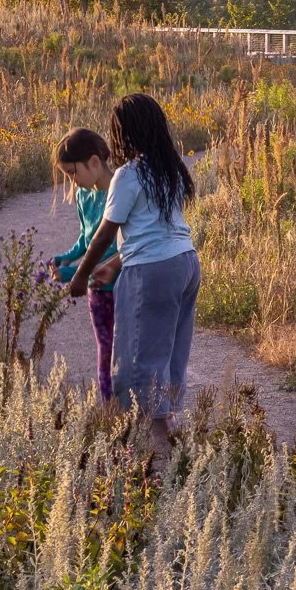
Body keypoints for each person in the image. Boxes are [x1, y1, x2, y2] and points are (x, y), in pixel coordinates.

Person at [68, 94, 201, 439]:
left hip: (152, 273)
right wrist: (115, 265)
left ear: (124, 134)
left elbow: (103, 235)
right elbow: (154, 231)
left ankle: (154, 444)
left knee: (138, 357)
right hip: (186, 264)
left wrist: (80, 276)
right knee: (172, 351)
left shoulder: (128, 175)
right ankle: (171, 426)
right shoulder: (170, 169)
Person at [51, 128, 122, 402]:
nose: (72, 181)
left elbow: (113, 246)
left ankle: (135, 400)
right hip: (97, 290)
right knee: (105, 348)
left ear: (94, 162)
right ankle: (109, 405)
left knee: (127, 348)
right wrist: (65, 258)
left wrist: (72, 274)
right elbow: (86, 239)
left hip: (122, 282)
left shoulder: (119, 191)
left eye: (72, 172)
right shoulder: (84, 196)